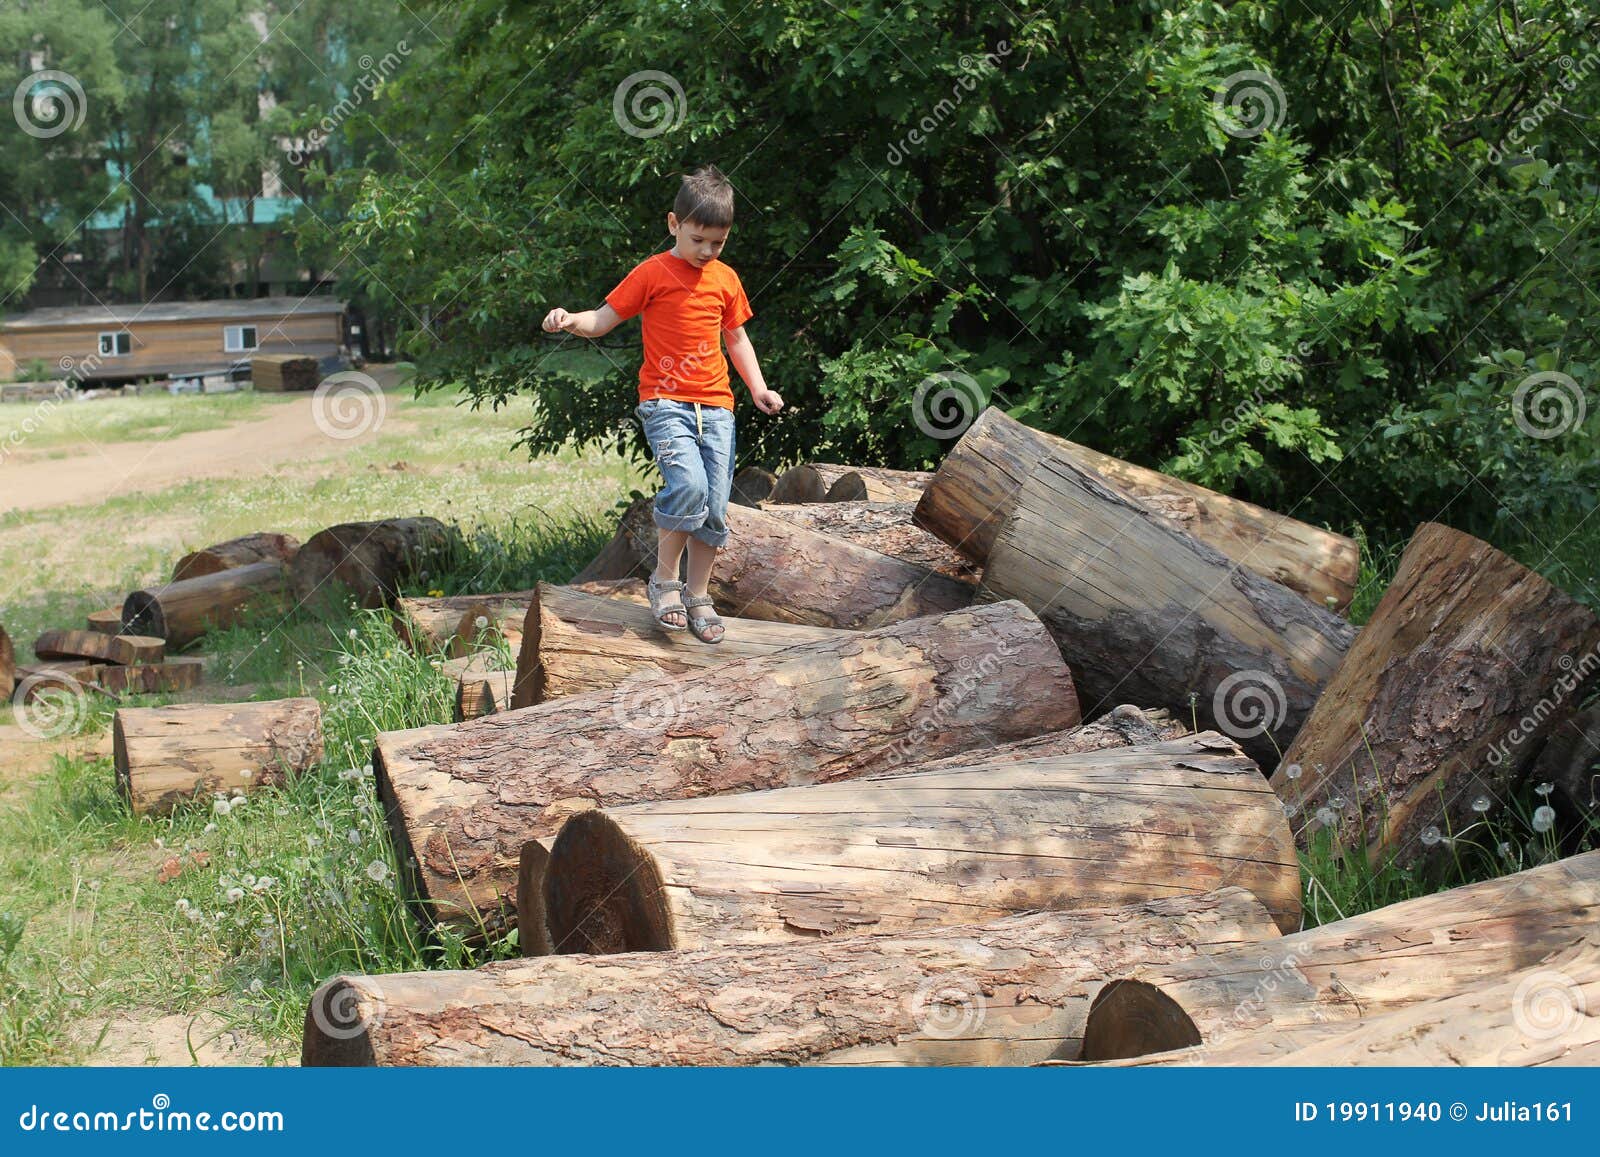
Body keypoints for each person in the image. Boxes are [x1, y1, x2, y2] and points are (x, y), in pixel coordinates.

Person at [542, 164, 783, 643]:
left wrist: (757, 388)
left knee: (715, 506)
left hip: (717, 407)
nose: (708, 251)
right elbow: (603, 319)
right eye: (698, 240)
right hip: (666, 401)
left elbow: (736, 338)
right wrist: (570, 320)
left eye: (718, 242)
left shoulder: (725, 279)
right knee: (689, 485)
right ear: (674, 224)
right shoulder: (652, 272)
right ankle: (665, 582)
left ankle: (698, 595)